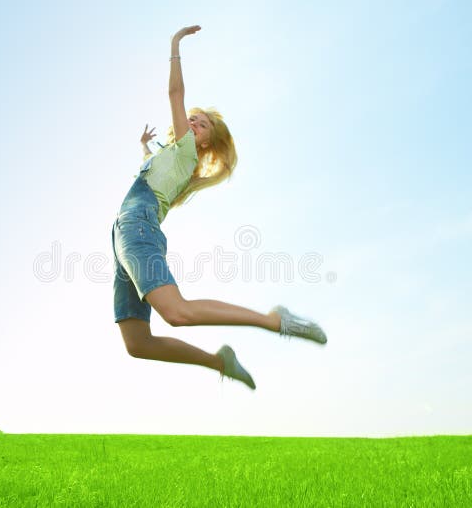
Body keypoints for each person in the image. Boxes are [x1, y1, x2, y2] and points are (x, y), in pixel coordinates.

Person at [111, 25, 327, 391]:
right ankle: (219, 361)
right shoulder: (171, 157)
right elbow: (149, 166)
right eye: (192, 119)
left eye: (202, 123)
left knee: (177, 312)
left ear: (207, 143)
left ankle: (274, 320)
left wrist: (175, 45)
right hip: (123, 232)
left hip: (138, 227)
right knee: (138, 343)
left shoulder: (185, 153)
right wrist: (144, 147)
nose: (193, 121)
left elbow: (174, 93)